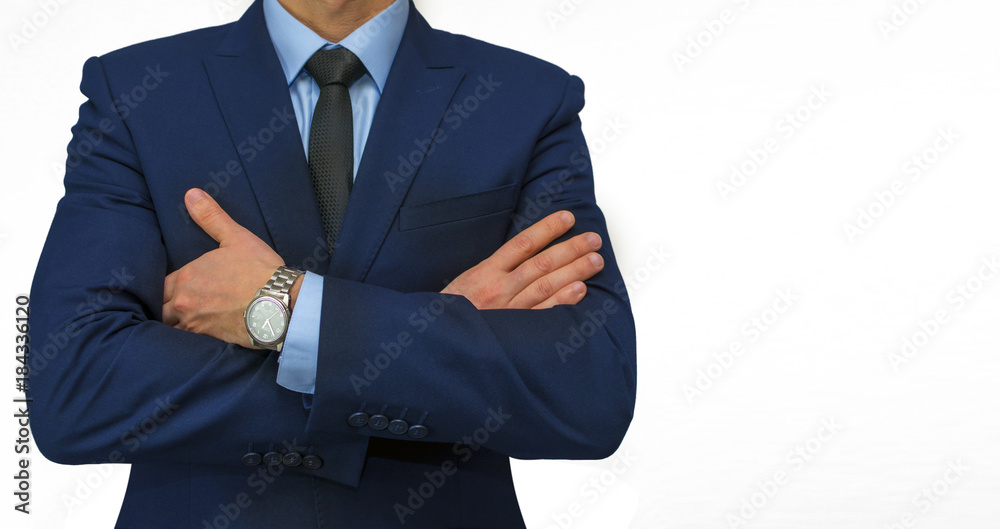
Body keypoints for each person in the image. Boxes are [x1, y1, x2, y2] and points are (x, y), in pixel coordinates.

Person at [28, 0, 637, 527]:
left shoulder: (527, 99)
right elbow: (75, 390)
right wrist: (438, 335)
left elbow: (587, 389)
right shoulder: (138, 90)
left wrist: (290, 311)